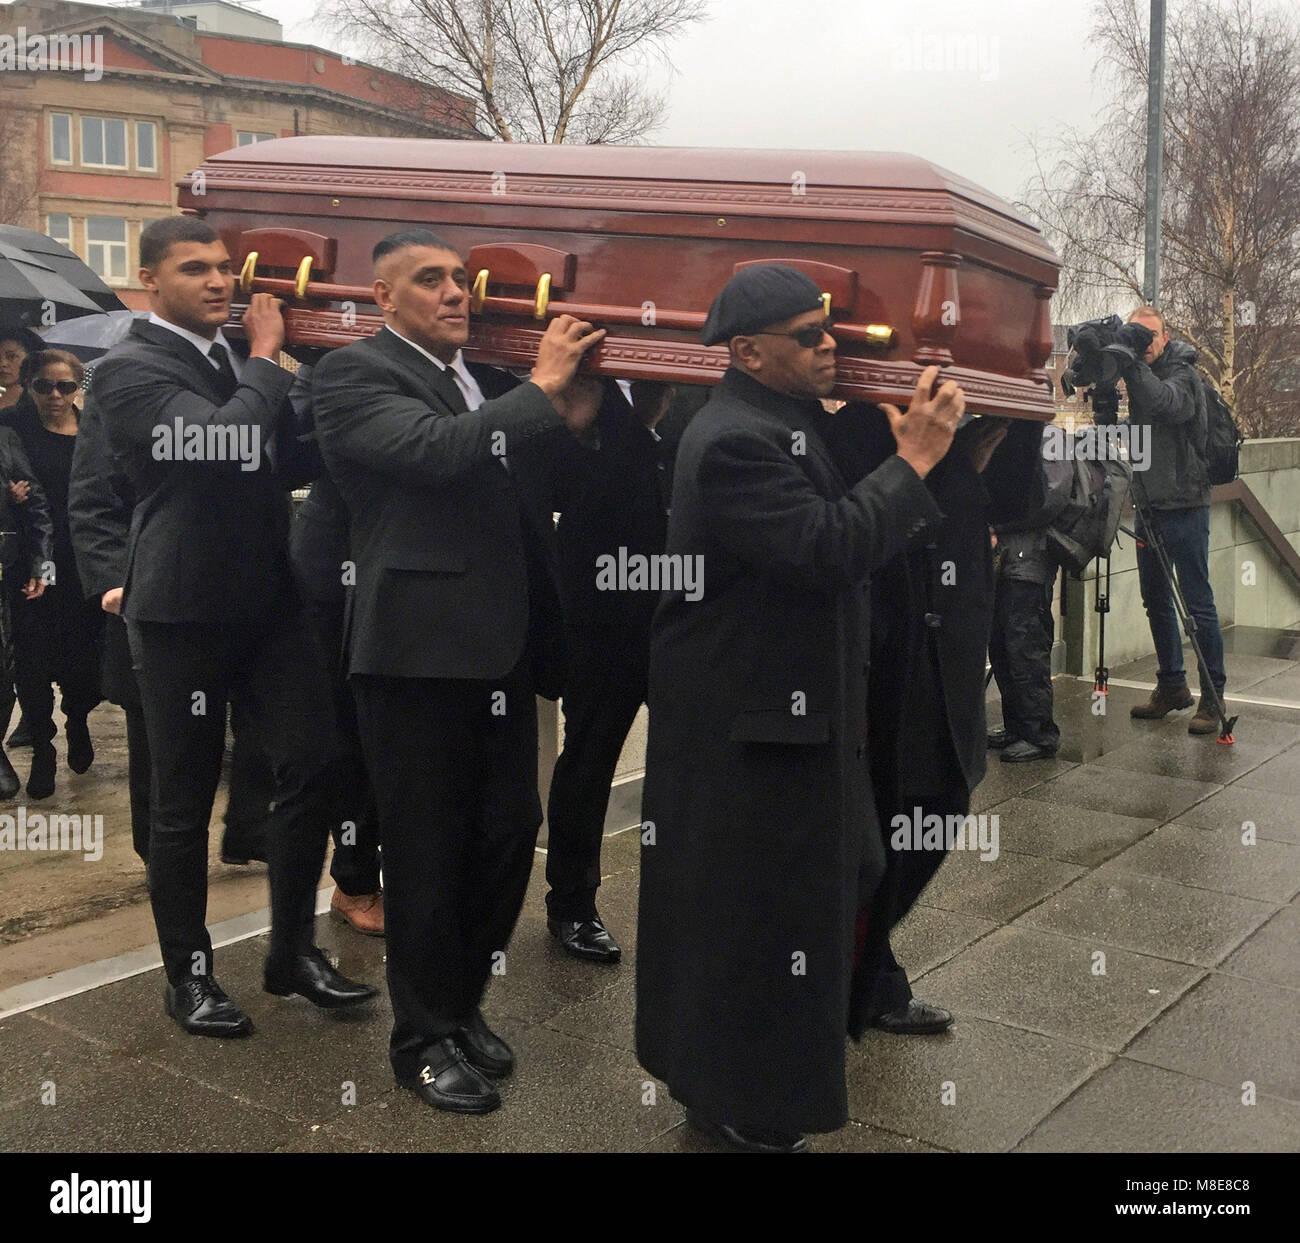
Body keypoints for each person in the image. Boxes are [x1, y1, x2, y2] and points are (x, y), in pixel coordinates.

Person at [634, 264, 962, 1154]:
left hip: (792, 725)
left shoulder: (777, 423)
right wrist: (918, 458)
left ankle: (736, 1089)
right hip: (753, 739)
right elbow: (824, 547)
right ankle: (746, 1106)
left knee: (817, 900)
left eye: (831, 330)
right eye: (809, 335)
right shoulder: (735, 437)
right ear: (748, 351)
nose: (832, 347)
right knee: (760, 926)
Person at [312, 228, 604, 1115]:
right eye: (430, 280)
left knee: (510, 829)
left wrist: (580, 409)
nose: (455, 293)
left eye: (460, 279)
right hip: (414, 651)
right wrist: (546, 389)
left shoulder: (483, 380)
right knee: (429, 849)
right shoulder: (353, 373)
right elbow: (439, 454)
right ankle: (421, 1038)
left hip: (498, 648)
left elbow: (530, 476)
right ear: (383, 299)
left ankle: (463, 1000)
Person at [91, 215, 375, 1038]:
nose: (219, 282)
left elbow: (284, 457)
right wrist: (266, 358)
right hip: (180, 607)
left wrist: (324, 377)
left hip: (268, 599)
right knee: (180, 804)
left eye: (224, 268)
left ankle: (290, 949)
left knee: (315, 762)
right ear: (151, 282)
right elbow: (219, 443)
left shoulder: (235, 362)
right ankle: (188, 973)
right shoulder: (127, 368)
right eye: (195, 270)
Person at [537, 378, 671, 963]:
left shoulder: (696, 389)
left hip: (684, 614)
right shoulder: (579, 390)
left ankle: (689, 899)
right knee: (588, 759)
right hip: (602, 614)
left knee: (693, 767)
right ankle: (571, 903)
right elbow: (560, 492)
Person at [1098, 307, 1225, 734]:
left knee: (1197, 604)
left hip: (1187, 505)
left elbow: (1163, 403)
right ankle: (1172, 685)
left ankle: (1213, 694)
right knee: (1156, 600)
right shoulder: (1140, 374)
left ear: (1165, 337)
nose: (1144, 343)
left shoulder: (1185, 375)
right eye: (1137, 336)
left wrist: (1130, 360)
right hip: (1150, 505)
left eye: (1149, 336)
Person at [7, 350, 104, 798]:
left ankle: (79, 719)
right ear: (29, 386)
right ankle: (43, 747)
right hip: (30, 566)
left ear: (77, 389)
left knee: (83, 662)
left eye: (65, 386)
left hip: (83, 562)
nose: (54, 395)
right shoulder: (12, 431)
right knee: (32, 660)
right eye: (44, 385)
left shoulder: (94, 431)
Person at [987, 424, 1064, 762]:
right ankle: (1017, 726)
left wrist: (999, 524)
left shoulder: (1048, 439)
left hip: (1029, 561)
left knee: (1025, 647)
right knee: (1003, 645)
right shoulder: (1012, 436)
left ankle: (1040, 733)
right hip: (1008, 561)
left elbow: (1049, 502)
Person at [0, 421, 53, 798]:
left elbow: (38, 508)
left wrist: (43, 568)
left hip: (8, 571)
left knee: (6, 668)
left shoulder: (6, 437)